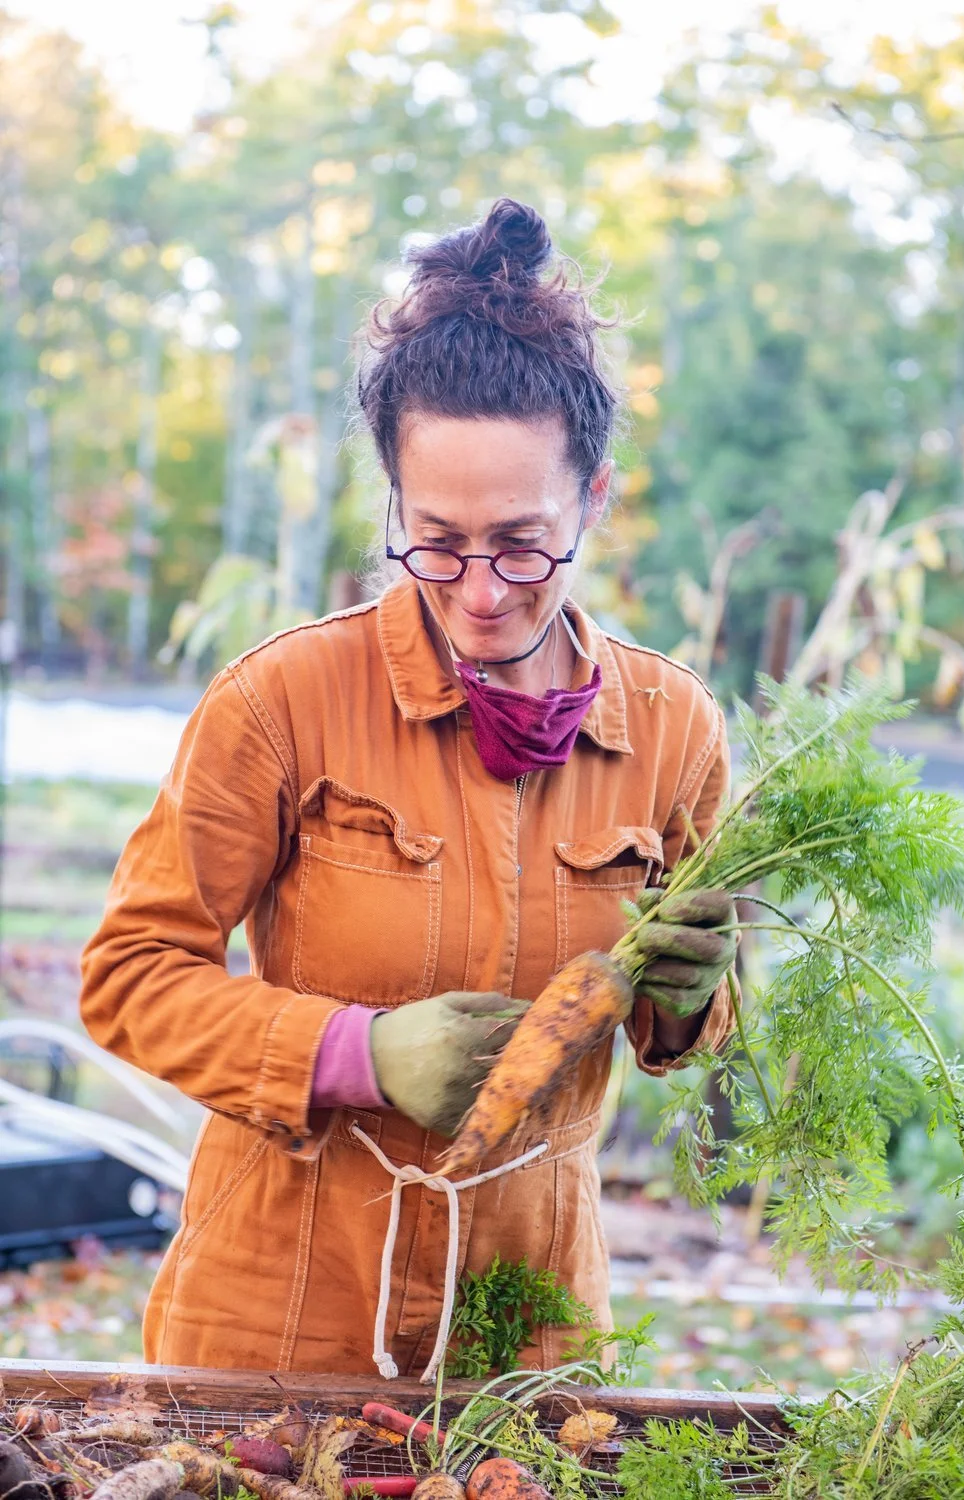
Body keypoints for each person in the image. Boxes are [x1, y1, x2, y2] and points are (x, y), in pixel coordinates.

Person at [80, 198, 738, 1379]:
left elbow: (672, 1040)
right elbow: (130, 980)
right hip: (278, 1323)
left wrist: (694, 992)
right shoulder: (281, 702)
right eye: (435, 539)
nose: (479, 590)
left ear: (593, 500)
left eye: (522, 542)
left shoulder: (672, 727)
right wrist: (356, 1054)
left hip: (526, 1331)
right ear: (392, 500)